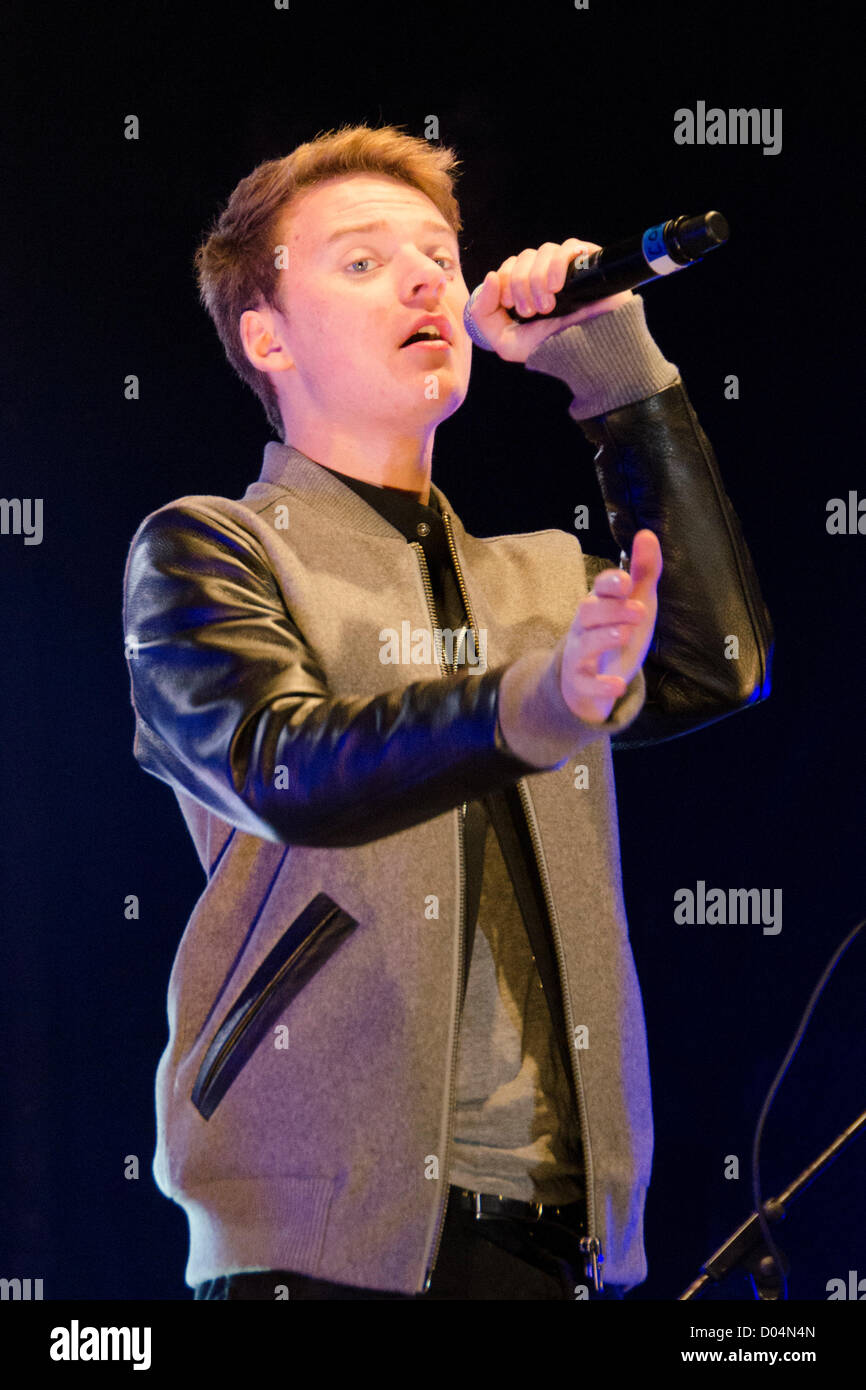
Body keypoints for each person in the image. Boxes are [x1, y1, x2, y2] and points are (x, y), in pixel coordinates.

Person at [122, 123, 773, 1301]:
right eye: (364, 261)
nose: (427, 276)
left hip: (563, 1238)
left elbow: (716, 662)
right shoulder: (209, 547)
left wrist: (608, 361)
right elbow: (285, 769)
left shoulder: (540, 581)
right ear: (263, 334)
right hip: (323, 1242)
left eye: (439, 252)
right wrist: (535, 698)